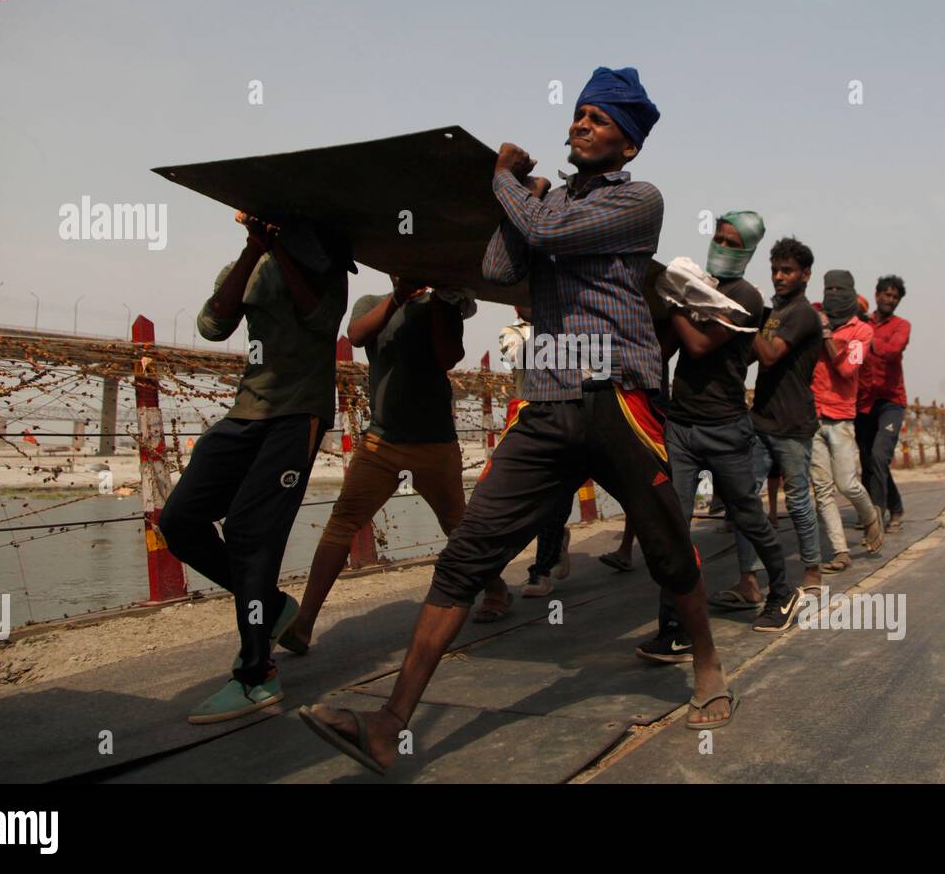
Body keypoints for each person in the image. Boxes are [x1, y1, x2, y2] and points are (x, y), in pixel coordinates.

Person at [299, 67, 738, 776]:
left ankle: (708, 664)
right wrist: (523, 197)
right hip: (549, 398)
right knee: (467, 554)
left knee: (665, 543)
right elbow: (503, 266)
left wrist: (507, 182)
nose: (580, 125)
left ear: (628, 145)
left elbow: (546, 232)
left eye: (599, 119)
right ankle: (388, 723)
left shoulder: (639, 201)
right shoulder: (550, 203)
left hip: (617, 394)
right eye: (578, 114)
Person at [158, 211, 351, 723]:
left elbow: (318, 320)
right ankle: (269, 602)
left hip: (298, 413)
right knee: (179, 521)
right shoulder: (249, 265)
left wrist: (282, 254)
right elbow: (213, 323)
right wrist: (253, 250)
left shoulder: (331, 270)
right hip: (246, 413)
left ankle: (257, 675)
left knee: (249, 530)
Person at [281, 275, 511, 652]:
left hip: (435, 444)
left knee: (457, 526)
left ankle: (496, 588)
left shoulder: (445, 301)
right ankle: (304, 623)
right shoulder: (373, 302)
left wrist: (438, 299)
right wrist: (398, 297)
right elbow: (356, 335)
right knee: (343, 522)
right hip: (382, 442)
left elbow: (447, 356)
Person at [636, 210, 801, 664]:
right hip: (682, 426)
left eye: (732, 242)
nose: (722, 247)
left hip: (726, 427)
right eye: (718, 238)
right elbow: (665, 348)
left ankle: (782, 592)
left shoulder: (747, 296)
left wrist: (675, 299)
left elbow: (701, 345)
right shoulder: (698, 288)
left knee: (749, 518)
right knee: (675, 525)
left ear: (746, 251)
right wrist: (675, 300)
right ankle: (675, 628)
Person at [739, 236, 825, 599]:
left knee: (799, 499)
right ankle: (749, 581)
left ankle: (812, 570)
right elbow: (749, 359)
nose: (779, 277)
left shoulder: (803, 314)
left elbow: (770, 355)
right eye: (775, 270)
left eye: (787, 271)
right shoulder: (773, 314)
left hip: (792, 423)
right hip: (761, 419)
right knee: (744, 497)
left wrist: (747, 319)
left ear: (805, 274)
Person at [809, 273, 883, 574]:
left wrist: (826, 336)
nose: (834, 293)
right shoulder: (814, 316)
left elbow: (846, 368)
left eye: (840, 289)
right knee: (822, 489)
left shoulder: (863, 332)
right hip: (812, 413)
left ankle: (870, 517)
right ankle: (841, 551)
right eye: (829, 289)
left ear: (852, 293)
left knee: (848, 484)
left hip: (840, 417)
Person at [499, 306, 572, 599]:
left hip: (564, 419)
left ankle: (541, 569)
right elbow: (518, 358)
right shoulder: (511, 333)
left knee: (555, 501)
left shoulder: (569, 328)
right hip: (528, 421)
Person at [855, 275, 911, 531]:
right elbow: (853, 357)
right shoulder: (861, 323)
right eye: (887, 295)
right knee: (868, 460)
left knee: (879, 456)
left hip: (891, 402)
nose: (890, 300)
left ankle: (876, 515)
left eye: (895, 297)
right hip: (863, 402)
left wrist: (866, 336)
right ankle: (895, 507)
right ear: (877, 295)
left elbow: (892, 351)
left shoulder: (902, 326)